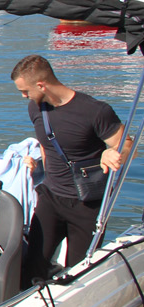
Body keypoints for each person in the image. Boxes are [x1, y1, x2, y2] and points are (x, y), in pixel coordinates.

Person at [12, 54, 132, 280]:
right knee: (31, 267)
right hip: (51, 197)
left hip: (86, 206)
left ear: (41, 85)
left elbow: (127, 145)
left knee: (79, 273)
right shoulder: (35, 109)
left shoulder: (95, 111)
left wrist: (112, 153)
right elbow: (47, 148)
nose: (23, 96)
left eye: (25, 90)